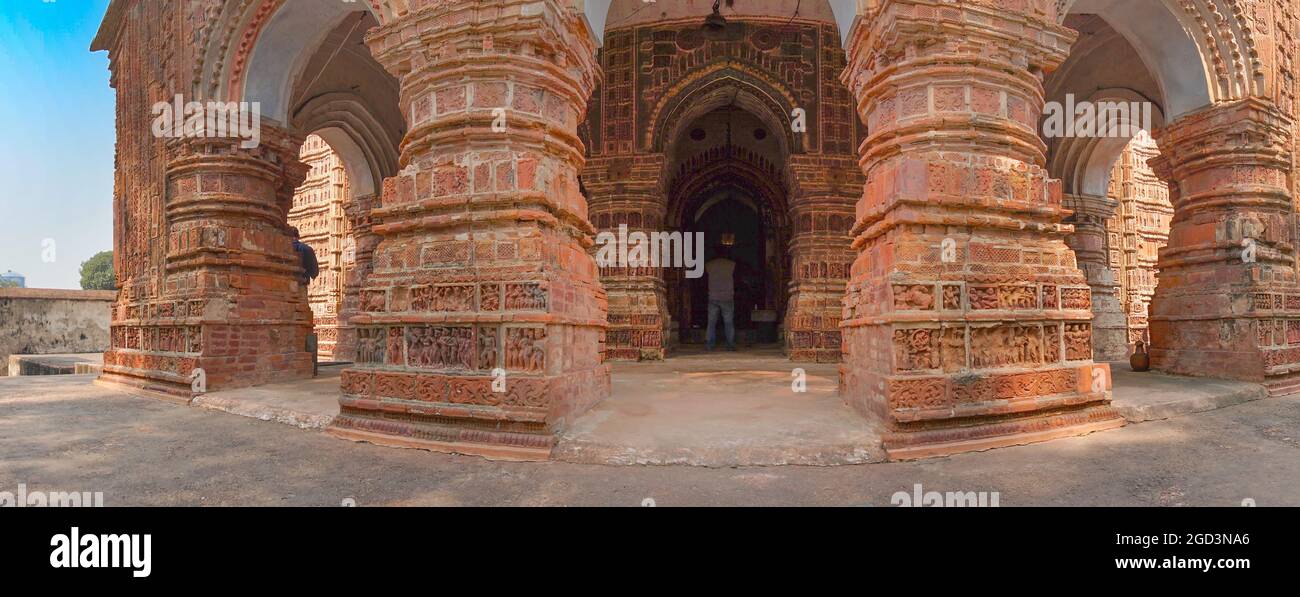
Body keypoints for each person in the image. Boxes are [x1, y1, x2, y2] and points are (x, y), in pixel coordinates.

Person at [291, 227, 321, 376]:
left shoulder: (284, 247)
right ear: (298, 235)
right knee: (301, 320)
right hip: (300, 286)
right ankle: (304, 356)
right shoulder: (305, 249)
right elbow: (315, 271)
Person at [705, 246, 737, 351]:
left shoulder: (709, 265)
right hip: (727, 296)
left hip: (713, 296)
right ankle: (730, 344)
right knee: (728, 322)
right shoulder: (731, 264)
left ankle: (710, 344)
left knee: (711, 322)